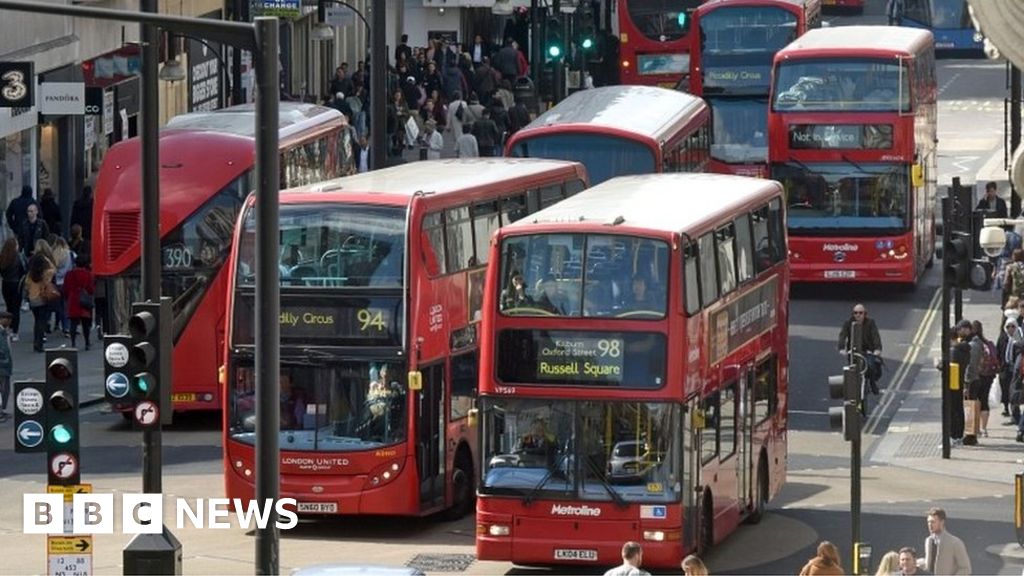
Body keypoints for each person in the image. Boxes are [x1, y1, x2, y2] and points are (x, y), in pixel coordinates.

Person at [838, 304, 884, 394]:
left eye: (860, 313)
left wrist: (877, 349)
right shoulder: (848, 323)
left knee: (870, 366)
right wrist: (842, 348)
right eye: (855, 313)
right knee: (852, 370)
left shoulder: (870, 322)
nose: (858, 315)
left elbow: (875, 336)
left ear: (865, 314)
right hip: (854, 351)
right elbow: (842, 336)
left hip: (868, 351)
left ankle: (872, 383)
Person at [919, 507, 970, 575]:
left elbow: (965, 569)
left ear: (942, 522)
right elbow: (930, 564)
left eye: (933, 522)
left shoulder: (955, 542)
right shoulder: (928, 541)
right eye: (928, 522)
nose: (930, 525)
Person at [24, 251, 56, 353]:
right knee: (41, 322)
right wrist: (47, 259)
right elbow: (54, 269)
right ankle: (39, 343)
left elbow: (26, 286)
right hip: (42, 299)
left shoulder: (30, 274)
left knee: (37, 321)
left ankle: (35, 342)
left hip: (33, 300)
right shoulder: (45, 273)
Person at [62, 255, 95, 350]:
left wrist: (68, 297)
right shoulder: (88, 274)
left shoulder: (69, 274)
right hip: (84, 300)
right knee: (85, 323)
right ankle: (87, 342)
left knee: (73, 323)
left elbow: (66, 288)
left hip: (73, 299)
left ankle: (73, 342)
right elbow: (91, 289)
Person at [0, 238, 25, 341]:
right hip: (16, 284)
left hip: (6, 283)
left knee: (9, 307)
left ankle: (9, 329)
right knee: (16, 309)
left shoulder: (3, 257)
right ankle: (15, 331)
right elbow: (23, 270)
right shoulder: (18, 257)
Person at [0, 311, 12, 421]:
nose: (9, 322)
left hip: (6, 366)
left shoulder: (5, 332)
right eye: (7, 319)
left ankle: (2, 410)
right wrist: (4, 361)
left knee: (5, 389)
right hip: (2, 366)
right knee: (2, 389)